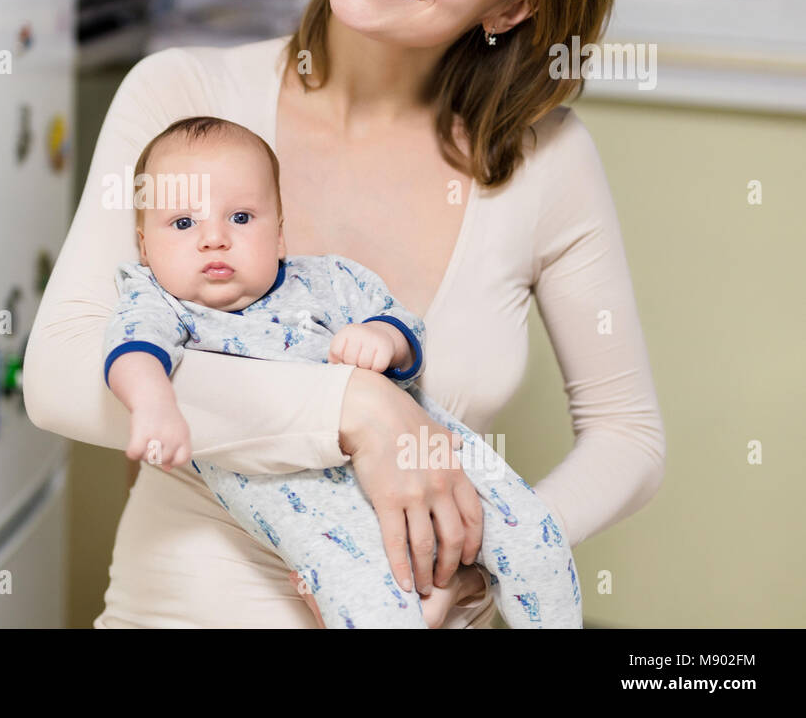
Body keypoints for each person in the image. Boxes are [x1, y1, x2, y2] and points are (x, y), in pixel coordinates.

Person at [23, 0, 665, 628]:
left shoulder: (543, 161)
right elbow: (62, 375)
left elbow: (629, 437)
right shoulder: (186, 97)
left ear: (513, 5)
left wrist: (487, 563)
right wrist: (358, 413)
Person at [102, 115, 582, 628]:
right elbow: (134, 349)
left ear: (280, 237)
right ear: (146, 247)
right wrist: (154, 404)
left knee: (536, 538)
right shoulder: (157, 301)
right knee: (379, 608)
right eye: (183, 223)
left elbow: (403, 323)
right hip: (311, 507)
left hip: (430, 459)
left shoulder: (328, 279)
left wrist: (382, 339)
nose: (214, 238)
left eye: (241, 218)